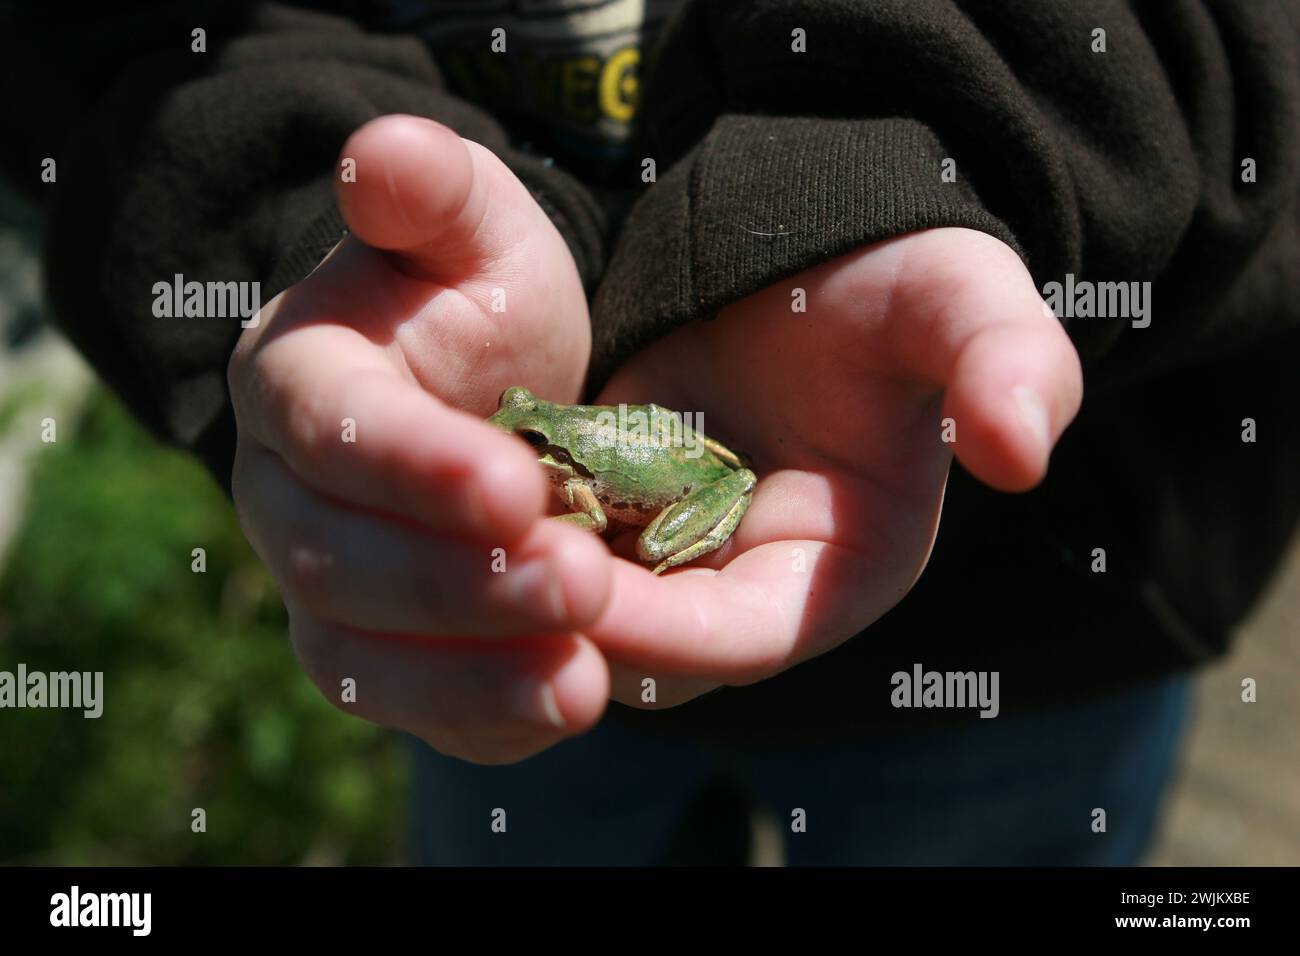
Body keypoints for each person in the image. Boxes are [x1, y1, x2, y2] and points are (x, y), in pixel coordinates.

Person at [2, 0, 1296, 864]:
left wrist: (950, 158)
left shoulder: (571, 457)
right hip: (529, 681)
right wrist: (313, 248)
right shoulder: (539, 450)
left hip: (1044, 627)